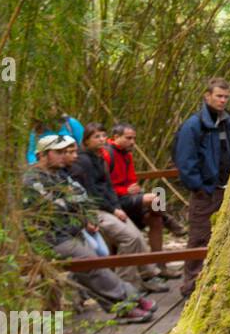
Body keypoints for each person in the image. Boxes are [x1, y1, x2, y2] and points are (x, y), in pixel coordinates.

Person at [23, 135, 153, 321]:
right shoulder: (32, 180)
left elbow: (81, 196)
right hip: (50, 238)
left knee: (96, 260)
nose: (63, 156)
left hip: (70, 232)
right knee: (89, 263)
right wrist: (72, 207)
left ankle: (127, 299)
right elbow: (57, 209)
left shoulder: (59, 174)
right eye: (58, 152)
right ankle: (125, 302)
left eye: (65, 152)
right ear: (43, 155)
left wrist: (83, 215)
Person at [68, 123, 168, 292]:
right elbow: (93, 192)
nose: (101, 140)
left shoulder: (101, 157)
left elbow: (109, 186)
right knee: (131, 235)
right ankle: (125, 285)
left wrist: (117, 207)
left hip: (114, 205)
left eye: (102, 136)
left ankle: (147, 275)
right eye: (96, 137)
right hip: (96, 208)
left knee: (138, 234)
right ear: (86, 140)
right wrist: (114, 208)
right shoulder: (85, 160)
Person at [174, 78, 230, 297]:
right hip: (205, 193)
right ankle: (191, 285)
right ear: (207, 96)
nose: (222, 100)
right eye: (218, 96)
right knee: (199, 236)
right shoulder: (194, 126)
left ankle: (217, 281)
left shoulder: (227, 122)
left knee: (225, 234)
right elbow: (185, 160)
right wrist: (199, 187)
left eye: (225, 97)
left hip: (226, 190)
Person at [104, 123, 185, 236]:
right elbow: (103, 185)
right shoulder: (106, 154)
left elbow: (132, 179)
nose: (132, 142)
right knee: (154, 198)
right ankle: (168, 219)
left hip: (127, 196)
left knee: (156, 220)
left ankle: (159, 251)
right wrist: (125, 191)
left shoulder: (127, 155)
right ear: (116, 137)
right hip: (115, 199)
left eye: (134, 138)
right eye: (128, 138)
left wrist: (134, 188)